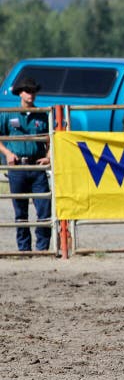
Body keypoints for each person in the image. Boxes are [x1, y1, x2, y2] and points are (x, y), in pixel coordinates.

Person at [0, 77, 52, 252]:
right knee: (21, 212)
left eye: (33, 91)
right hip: (18, 168)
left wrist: (48, 156)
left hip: (37, 167)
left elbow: (52, 138)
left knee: (44, 210)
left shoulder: (43, 114)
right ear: (20, 93)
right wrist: (7, 153)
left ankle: (43, 248)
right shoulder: (8, 113)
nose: (31, 94)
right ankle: (24, 249)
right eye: (28, 91)